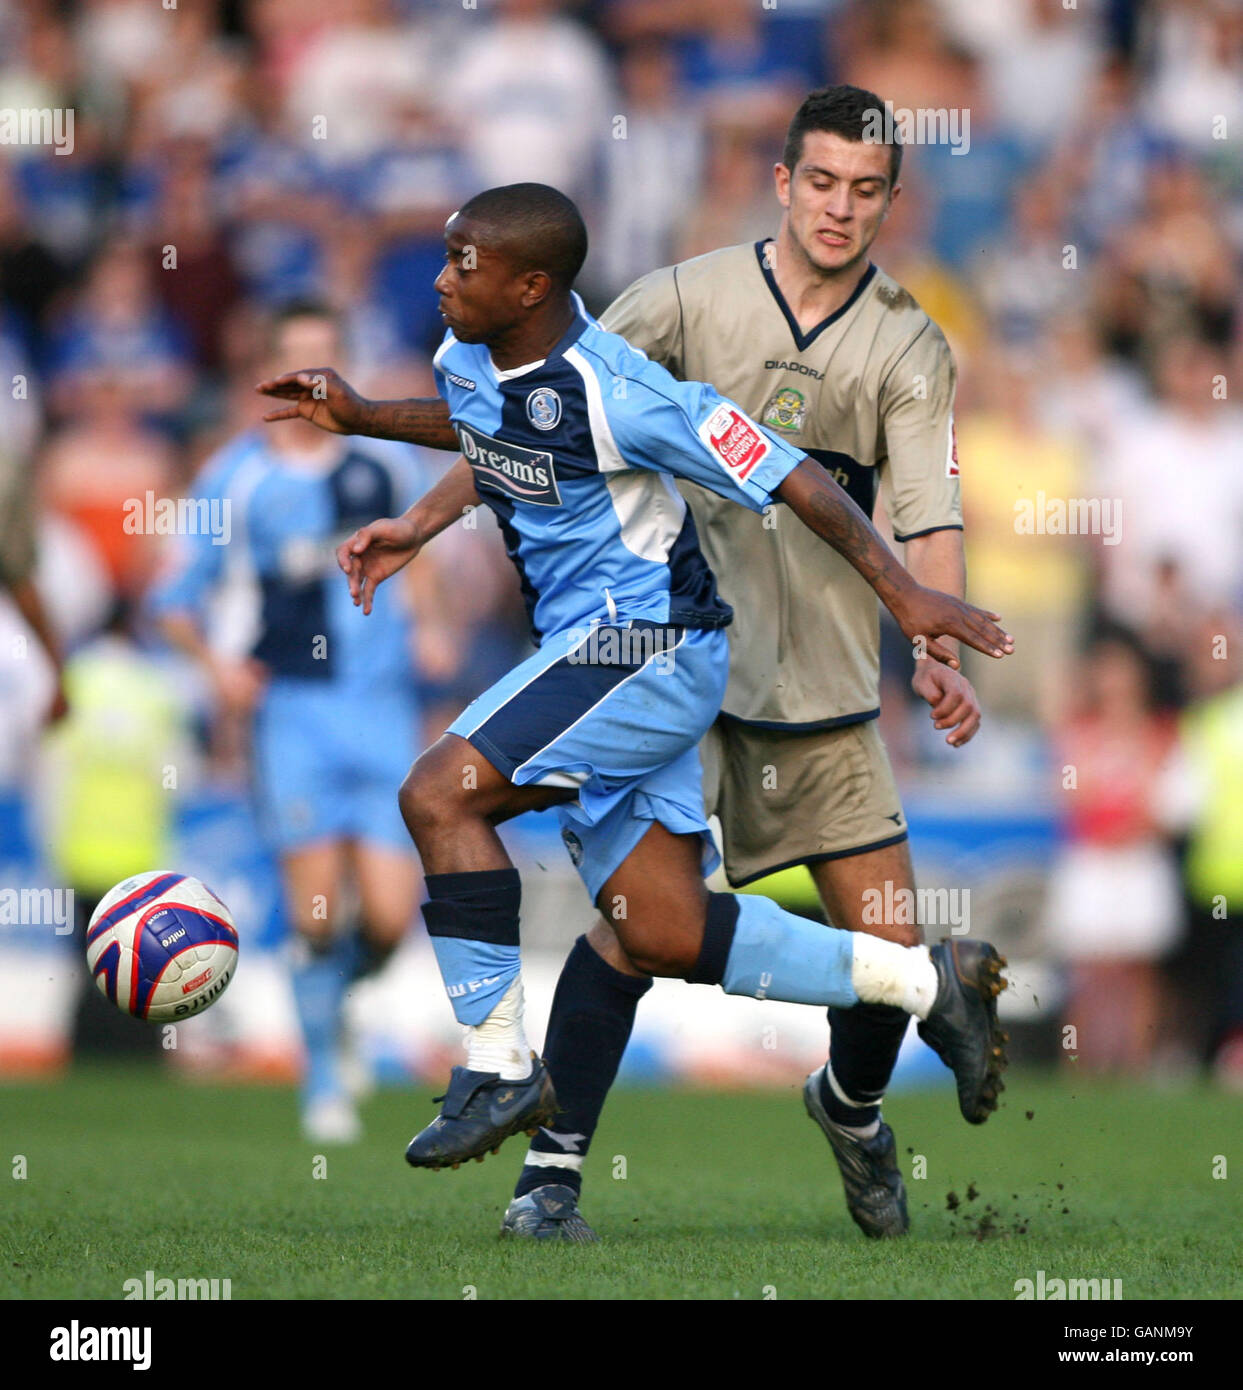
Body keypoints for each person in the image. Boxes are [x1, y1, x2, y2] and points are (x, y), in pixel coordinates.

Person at [260, 87, 994, 1244]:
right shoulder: (521, 335)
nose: (441, 277)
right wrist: (374, 442)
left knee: (437, 790)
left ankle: (514, 1069)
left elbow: (794, 473)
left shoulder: (673, 378)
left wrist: (914, 605)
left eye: (462, 262)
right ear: (782, 182)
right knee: (650, 926)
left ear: (533, 285)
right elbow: (491, 420)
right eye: (820, 180)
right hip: (618, 647)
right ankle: (921, 985)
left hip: (678, 648)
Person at [151, 301, 428, 1143]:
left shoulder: (385, 464)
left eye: (326, 359)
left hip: (382, 711)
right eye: (296, 361)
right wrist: (220, 670)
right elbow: (171, 599)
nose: (313, 377)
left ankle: (342, 1002)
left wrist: (441, 622)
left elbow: (427, 549)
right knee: (314, 913)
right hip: (294, 716)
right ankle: (321, 1085)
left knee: (385, 917)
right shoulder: (234, 476)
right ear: (266, 376)